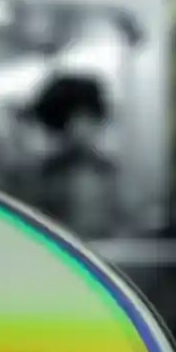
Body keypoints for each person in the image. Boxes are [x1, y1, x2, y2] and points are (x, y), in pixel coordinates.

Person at [25, 74, 122, 237]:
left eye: (85, 119)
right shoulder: (38, 178)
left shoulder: (113, 175)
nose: (77, 129)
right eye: (65, 122)